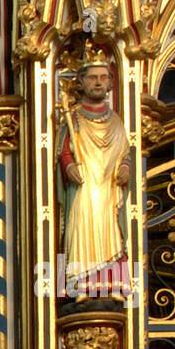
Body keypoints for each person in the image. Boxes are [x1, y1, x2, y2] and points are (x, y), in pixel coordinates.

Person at [57, 53, 130, 299]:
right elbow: (63, 150)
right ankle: (79, 285)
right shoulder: (74, 117)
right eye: (92, 78)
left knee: (111, 233)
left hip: (108, 189)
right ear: (81, 82)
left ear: (110, 83)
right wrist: (69, 167)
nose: (98, 82)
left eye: (103, 77)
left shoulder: (117, 122)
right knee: (81, 231)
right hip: (84, 188)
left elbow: (125, 152)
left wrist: (125, 168)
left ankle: (114, 285)